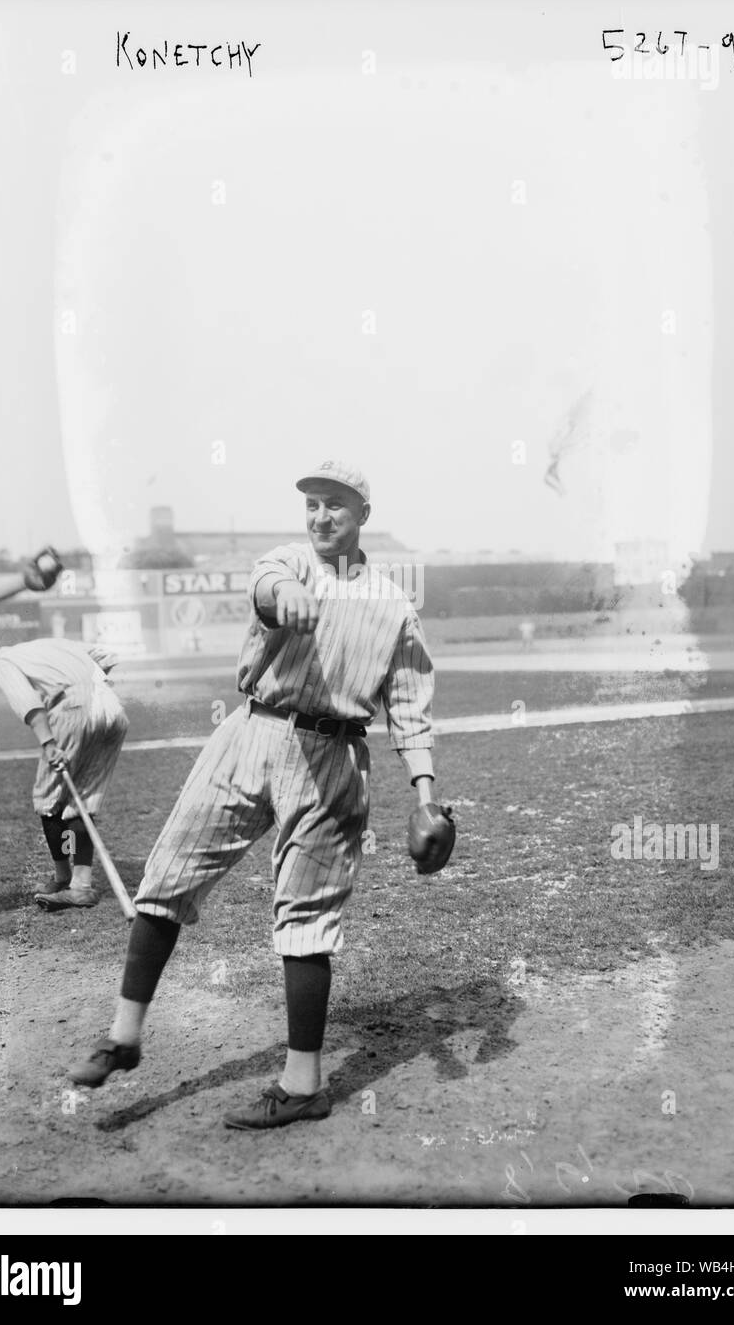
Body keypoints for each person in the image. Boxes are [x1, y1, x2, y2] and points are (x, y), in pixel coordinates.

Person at [69, 459, 444, 1130]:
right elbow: (266, 587)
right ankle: (123, 1038)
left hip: (332, 757)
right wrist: (282, 597)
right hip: (249, 732)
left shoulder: (392, 605)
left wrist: (424, 796)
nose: (320, 517)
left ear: (362, 514)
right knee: (165, 879)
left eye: (335, 505)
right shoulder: (286, 564)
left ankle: (303, 1085)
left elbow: (410, 710)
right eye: (311, 505)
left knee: (305, 919)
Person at [0, 638, 129, 910]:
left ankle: (64, 876)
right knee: (83, 799)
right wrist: (91, 691)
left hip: (73, 711)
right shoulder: (57, 645)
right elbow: (108, 655)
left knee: (49, 799)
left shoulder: (3, 658)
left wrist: (48, 742)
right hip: (112, 708)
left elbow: (27, 700)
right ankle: (80, 886)